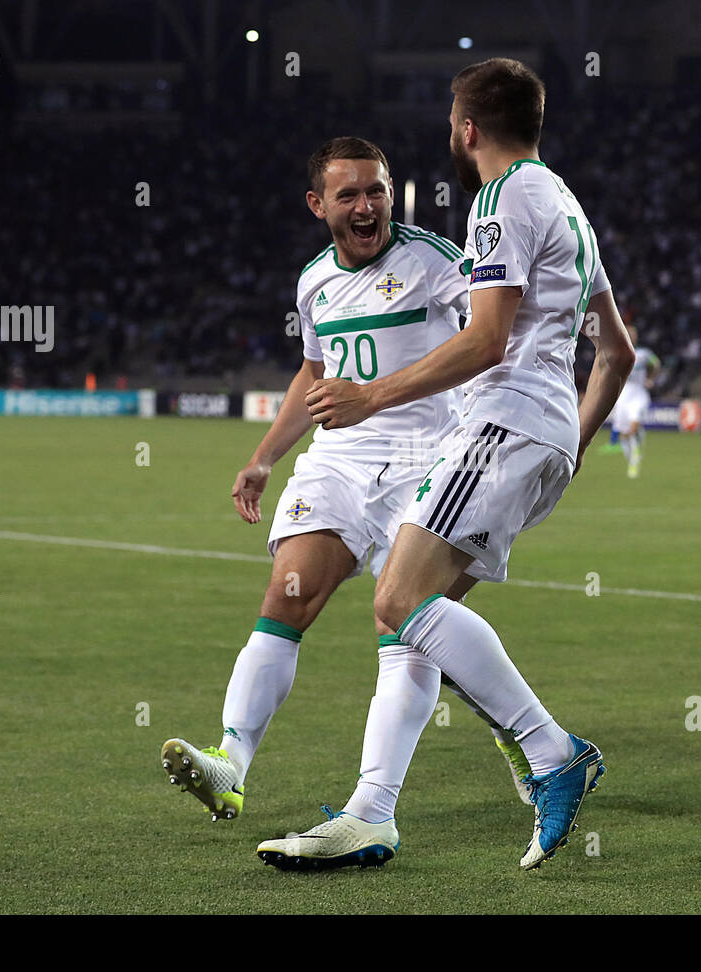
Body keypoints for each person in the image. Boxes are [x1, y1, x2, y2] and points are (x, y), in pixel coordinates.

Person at [259, 58, 635, 872]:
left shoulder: (499, 202)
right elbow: (619, 351)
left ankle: (551, 750)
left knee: (398, 597)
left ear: (465, 128)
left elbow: (489, 339)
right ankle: (371, 814)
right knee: (411, 630)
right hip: (538, 436)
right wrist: (565, 446)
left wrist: (373, 396)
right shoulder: (569, 205)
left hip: (501, 424)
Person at [160, 136, 524, 825]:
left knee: (406, 630)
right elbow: (315, 371)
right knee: (286, 596)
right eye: (349, 194)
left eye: (376, 190)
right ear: (318, 204)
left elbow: (491, 329)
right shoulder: (312, 281)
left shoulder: (436, 260)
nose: (366, 205)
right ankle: (229, 765)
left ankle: (378, 802)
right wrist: (265, 455)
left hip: (429, 462)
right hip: (339, 461)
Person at [611, 325, 660, 479]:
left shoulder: (644, 354)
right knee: (624, 434)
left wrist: (651, 379)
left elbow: (656, 363)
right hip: (623, 395)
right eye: (629, 333)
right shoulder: (617, 352)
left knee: (632, 427)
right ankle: (632, 459)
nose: (631, 336)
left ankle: (635, 459)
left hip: (638, 394)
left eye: (633, 334)